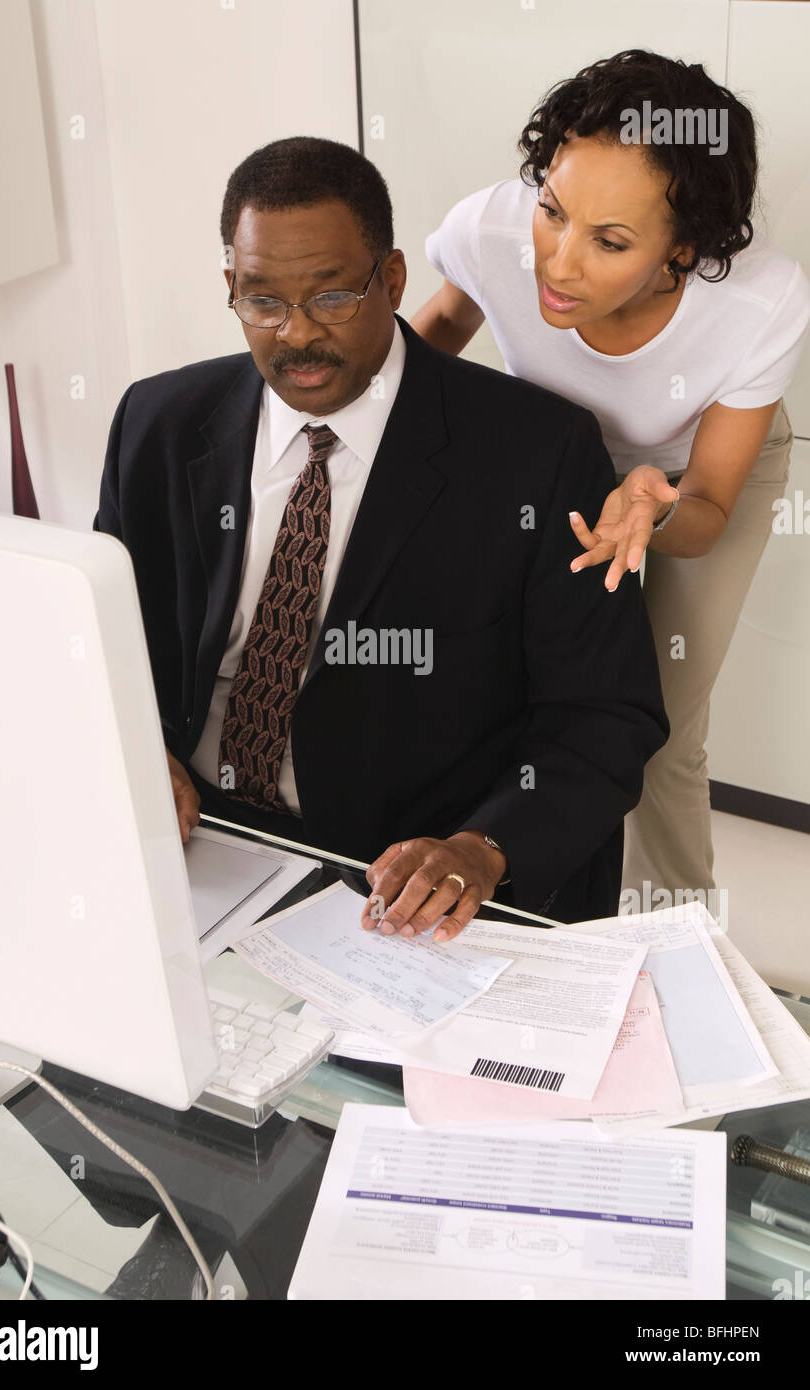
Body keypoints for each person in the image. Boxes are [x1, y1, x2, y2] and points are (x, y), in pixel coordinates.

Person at [94, 136, 667, 937]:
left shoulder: (537, 453)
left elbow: (604, 714)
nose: (296, 335)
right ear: (231, 286)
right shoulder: (155, 423)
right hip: (197, 845)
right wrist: (138, 753)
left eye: (331, 298)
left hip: (401, 874)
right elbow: (104, 649)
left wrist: (483, 846)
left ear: (391, 280)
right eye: (262, 300)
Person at [412, 49, 810, 908]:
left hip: (692, 481)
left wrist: (650, 513)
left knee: (656, 731)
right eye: (551, 211)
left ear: (683, 250)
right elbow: (432, 337)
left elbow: (705, 505)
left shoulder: (761, 301)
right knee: (519, 697)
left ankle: (675, 946)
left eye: (611, 242)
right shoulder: (490, 230)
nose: (558, 263)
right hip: (555, 463)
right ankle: (527, 909)